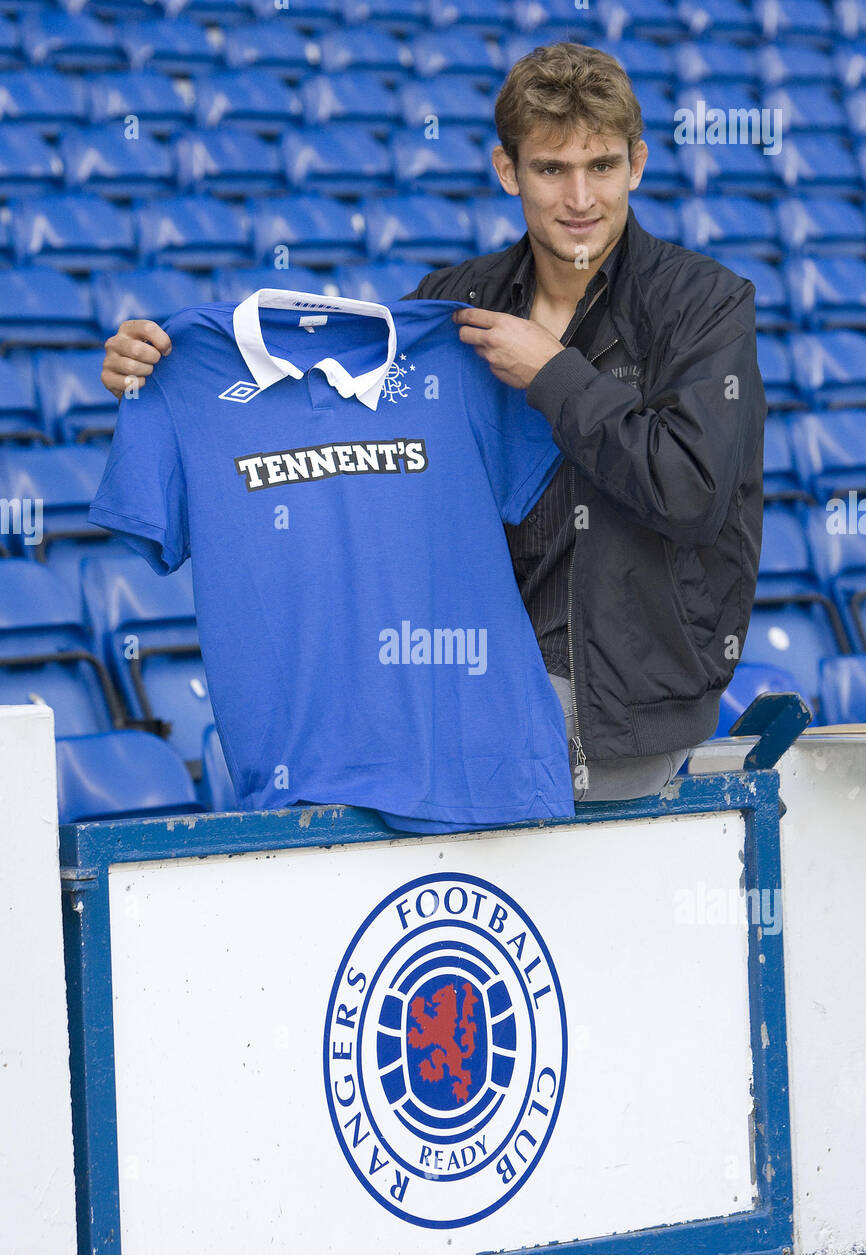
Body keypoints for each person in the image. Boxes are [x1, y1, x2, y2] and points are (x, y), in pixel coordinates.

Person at [98, 42, 765, 804]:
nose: (580, 197)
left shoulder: (704, 304)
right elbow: (339, 433)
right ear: (508, 171)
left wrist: (553, 374)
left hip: (616, 712)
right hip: (467, 676)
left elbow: (692, 490)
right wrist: (162, 365)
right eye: (551, 170)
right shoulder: (453, 302)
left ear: (637, 164)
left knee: (360, 776)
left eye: (602, 166)